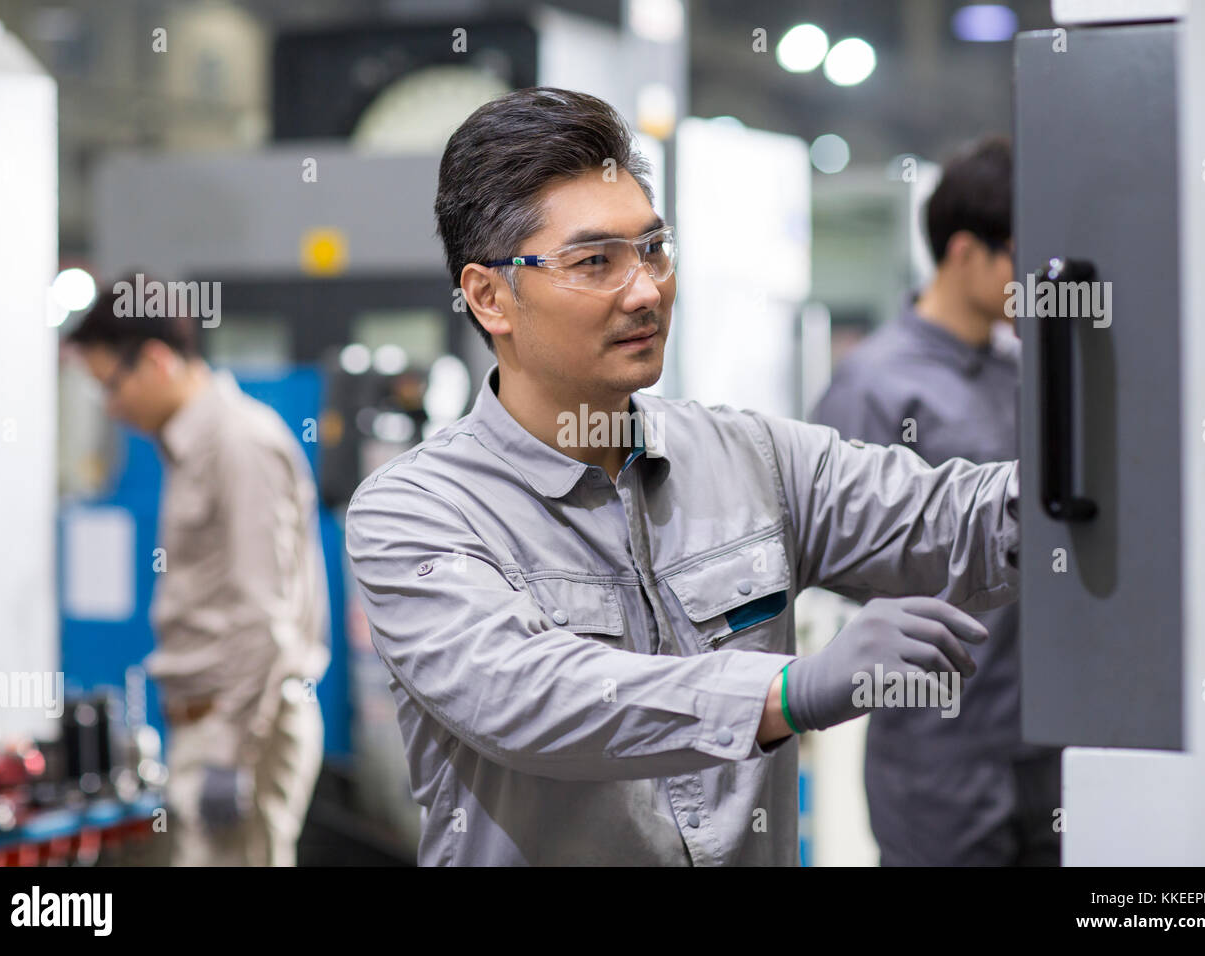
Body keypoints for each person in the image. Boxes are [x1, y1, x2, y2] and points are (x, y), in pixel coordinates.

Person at [345, 88, 1022, 866]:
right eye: (595, 261)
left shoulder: (752, 457)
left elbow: (956, 517)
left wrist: (1109, 459)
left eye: (653, 249)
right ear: (490, 296)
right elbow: (527, 695)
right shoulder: (416, 514)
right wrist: (787, 691)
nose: (645, 291)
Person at [811, 135, 1063, 865]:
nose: (1035, 281)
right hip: (939, 753)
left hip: (1040, 742)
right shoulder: (875, 385)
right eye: (1022, 256)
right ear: (964, 252)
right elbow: (837, 555)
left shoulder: (1026, 371)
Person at [67, 287, 329, 866]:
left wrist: (228, 756)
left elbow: (263, 615)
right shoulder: (188, 447)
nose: (110, 406)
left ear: (157, 360)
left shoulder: (238, 443)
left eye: (111, 385)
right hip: (213, 725)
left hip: (241, 727)